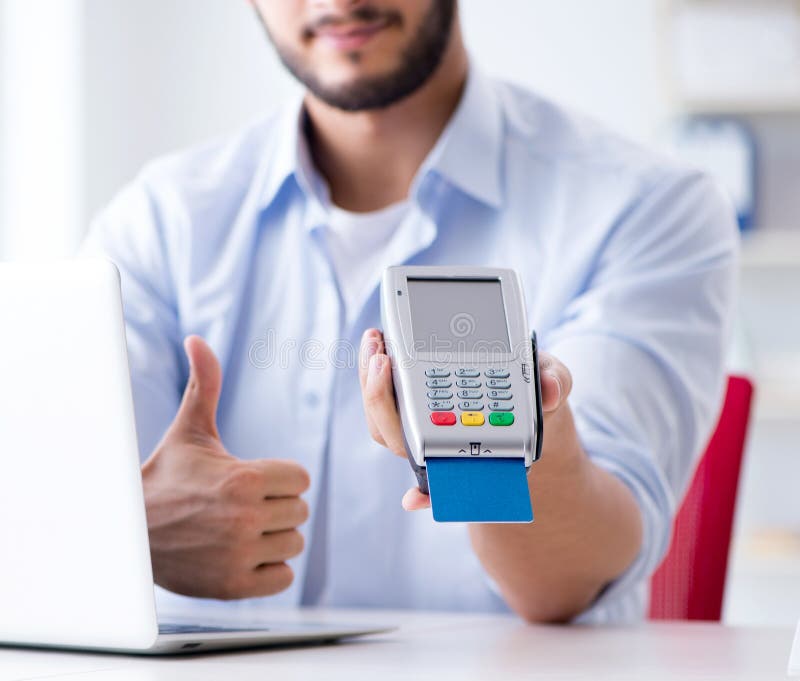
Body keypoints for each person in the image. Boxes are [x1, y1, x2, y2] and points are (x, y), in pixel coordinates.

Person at [82, 0, 738, 623]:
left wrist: (519, 448)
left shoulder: (647, 208)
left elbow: (568, 584)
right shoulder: (158, 222)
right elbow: (36, 510)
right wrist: (130, 530)